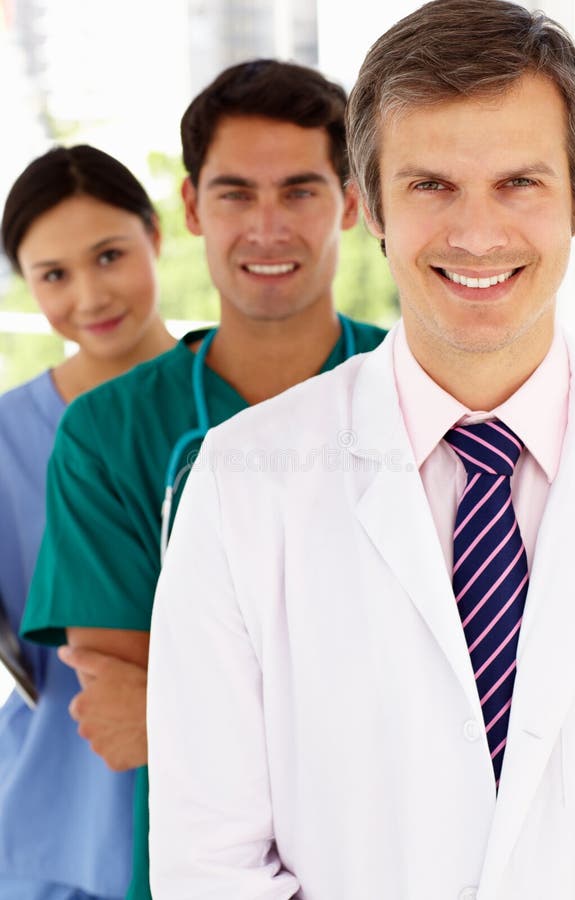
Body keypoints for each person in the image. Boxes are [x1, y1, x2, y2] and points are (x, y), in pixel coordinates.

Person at [145, 1, 575, 897]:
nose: (477, 233)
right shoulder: (243, 484)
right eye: (431, 185)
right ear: (373, 205)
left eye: (520, 182)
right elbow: (211, 867)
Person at [20, 60, 388, 900]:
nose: (267, 227)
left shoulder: (416, 392)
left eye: (300, 191)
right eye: (233, 194)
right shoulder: (107, 436)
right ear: (189, 208)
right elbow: (116, 722)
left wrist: (187, 713)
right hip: (204, 871)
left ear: (354, 202)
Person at [0, 145, 175, 900]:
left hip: (228, 826)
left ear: (157, 236)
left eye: (110, 255)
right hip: (56, 835)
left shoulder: (250, 416)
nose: (91, 295)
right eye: (54, 276)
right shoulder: (7, 437)